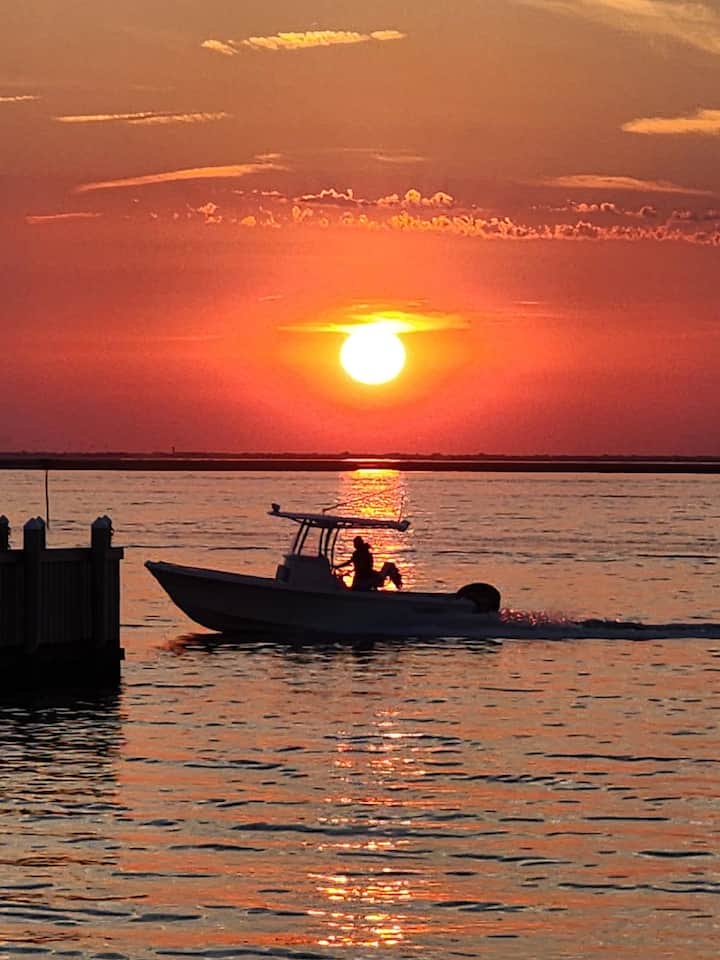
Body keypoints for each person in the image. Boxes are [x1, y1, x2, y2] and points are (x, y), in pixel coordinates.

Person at [336, 535, 402, 591]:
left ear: (358, 544)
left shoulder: (362, 553)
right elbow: (351, 562)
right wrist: (338, 566)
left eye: (355, 543)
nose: (354, 545)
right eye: (354, 543)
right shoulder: (358, 553)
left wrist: (338, 566)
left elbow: (359, 564)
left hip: (364, 577)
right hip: (362, 576)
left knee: (356, 588)